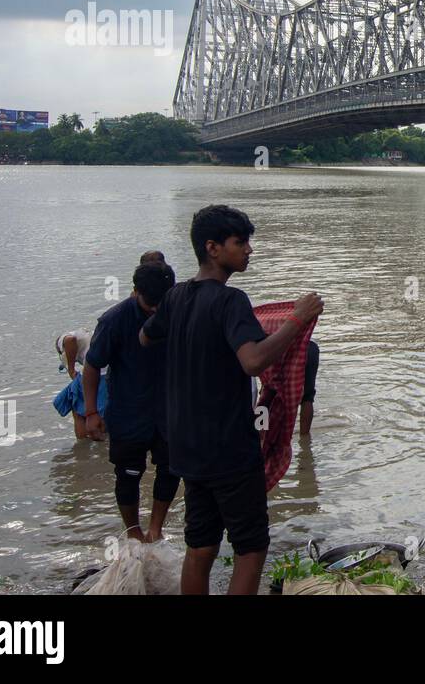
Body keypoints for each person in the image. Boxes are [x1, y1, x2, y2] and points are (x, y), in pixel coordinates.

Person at [140, 205, 323, 595]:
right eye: (240, 242)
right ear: (213, 248)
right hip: (229, 449)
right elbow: (254, 361)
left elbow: (145, 337)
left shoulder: (175, 298)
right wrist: (297, 319)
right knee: (251, 547)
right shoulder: (230, 301)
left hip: (187, 449)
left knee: (201, 545)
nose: (249, 250)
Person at [84, 261, 179, 543]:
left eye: (160, 303)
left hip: (169, 412)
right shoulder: (114, 320)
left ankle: (156, 528)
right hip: (128, 413)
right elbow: (92, 365)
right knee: (127, 474)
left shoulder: (177, 313)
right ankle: (133, 531)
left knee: (171, 469)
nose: (154, 310)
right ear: (135, 290)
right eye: (149, 303)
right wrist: (91, 412)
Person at [52, 327, 106, 440]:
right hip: (107, 370)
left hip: (99, 372)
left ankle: (82, 445)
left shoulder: (62, 339)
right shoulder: (86, 335)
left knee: (75, 403)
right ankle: (96, 445)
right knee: (101, 407)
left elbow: (70, 340)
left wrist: (71, 369)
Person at [299, 340, 320, 438]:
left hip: (279, 347)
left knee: (267, 394)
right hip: (308, 347)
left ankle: (262, 434)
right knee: (308, 398)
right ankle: (305, 437)